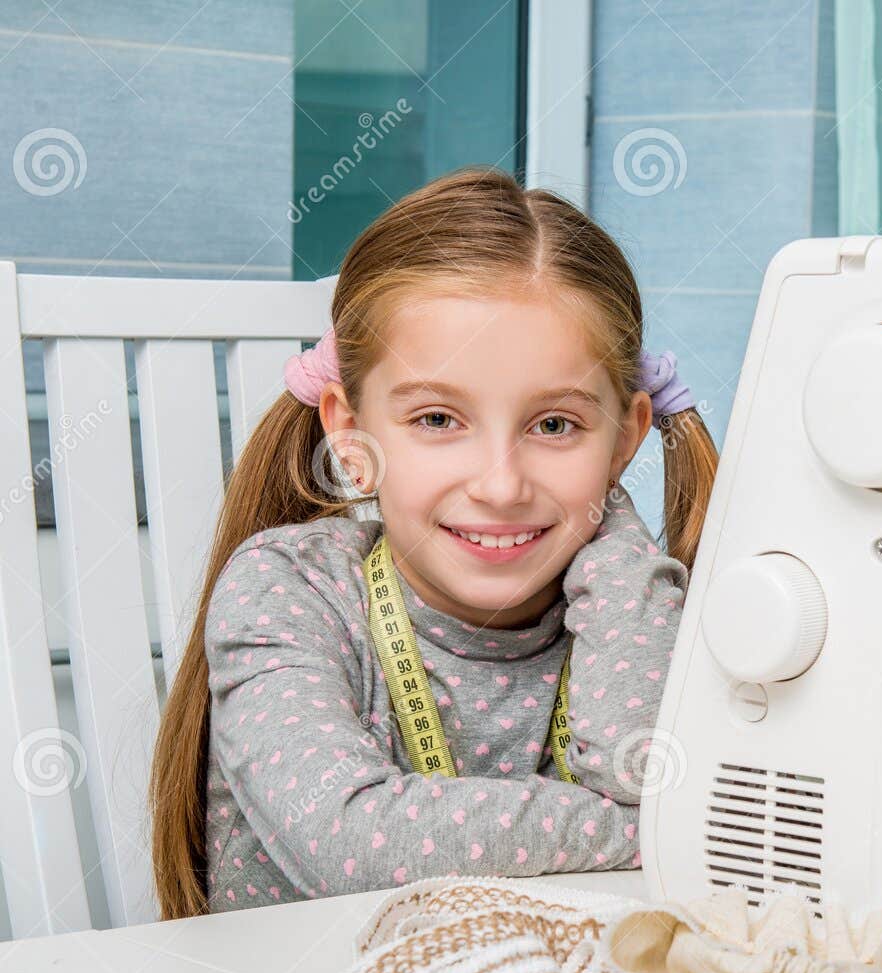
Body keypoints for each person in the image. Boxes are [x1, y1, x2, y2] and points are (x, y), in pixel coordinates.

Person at [147, 167, 718, 919]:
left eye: (556, 425)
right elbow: (351, 842)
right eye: (438, 420)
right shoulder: (287, 591)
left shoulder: (634, 603)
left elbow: (647, 769)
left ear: (625, 439)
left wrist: (612, 534)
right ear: (350, 436)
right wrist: (646, 830)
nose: (501, 483)